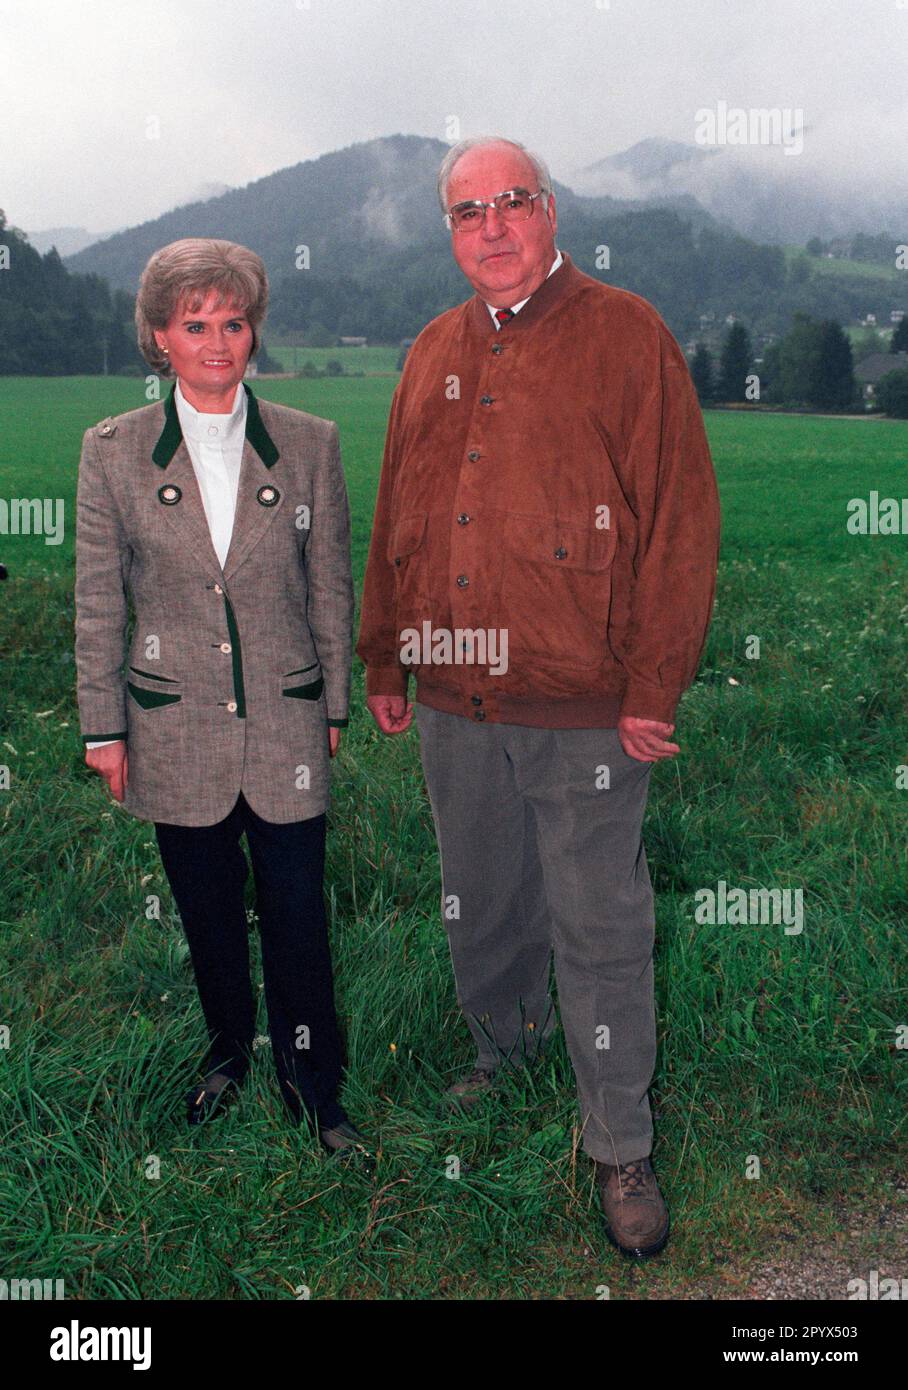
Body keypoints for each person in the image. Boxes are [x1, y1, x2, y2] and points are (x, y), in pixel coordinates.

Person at [356, 137, 721, 1255]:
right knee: (482, 898)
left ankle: (618, 1142)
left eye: (512, 203)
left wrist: (654, 682)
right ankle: (502, 1058)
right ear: (452, 232)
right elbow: (397, 510)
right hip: (454, 695)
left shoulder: (625, 335)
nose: (493, 226)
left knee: (598, 920)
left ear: (550, 212)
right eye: (469, 211)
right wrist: (384, 652)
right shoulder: (430, 350)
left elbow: (678, 521)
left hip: (585, 700)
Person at [75, 237, 367, 1156]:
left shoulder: (310, 444)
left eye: (232, 323)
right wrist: (103, 728)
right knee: (206, 912)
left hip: (286, 721)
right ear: (159, 338)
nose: (216, 341)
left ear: (254, 333)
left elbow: (329, 588)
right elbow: (97, 599)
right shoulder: (112, 451)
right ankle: (228, 1052)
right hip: (172, 730)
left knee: (297, 915)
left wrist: (330, 709)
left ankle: (315, 1089)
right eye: (194, 324)